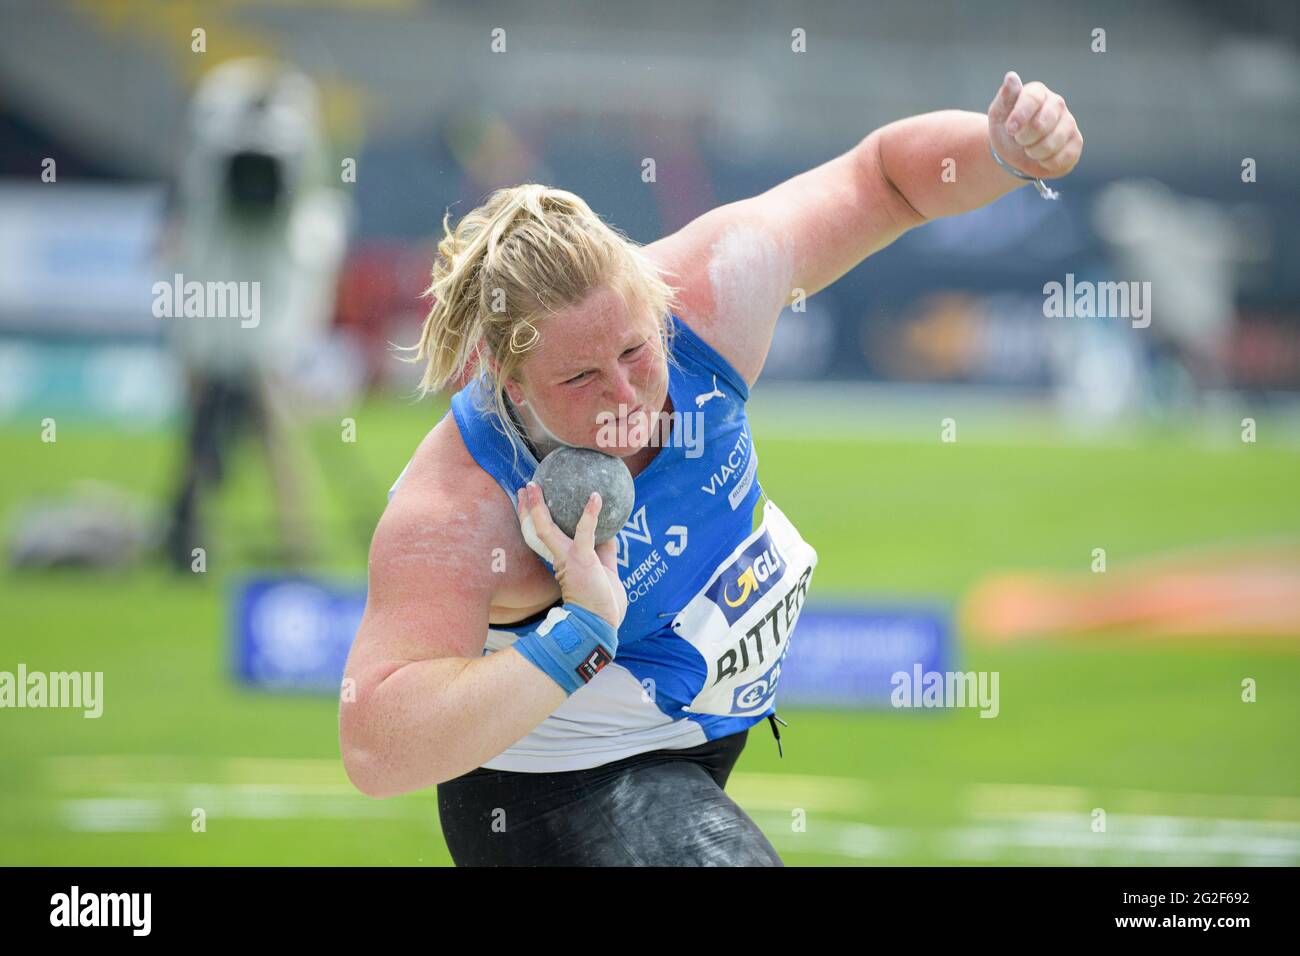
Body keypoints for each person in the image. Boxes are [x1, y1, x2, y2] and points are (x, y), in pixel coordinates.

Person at [339, 72, 1082, 865]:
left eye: (634, 350)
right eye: (580, 379)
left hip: (690, 749)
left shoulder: (713, 292)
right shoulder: (460, 509)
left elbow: (887, 179)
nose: (626, 395)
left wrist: (1002, 149)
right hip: (553, 794)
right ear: (505, 377)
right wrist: (578, 634)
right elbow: (377, 749)